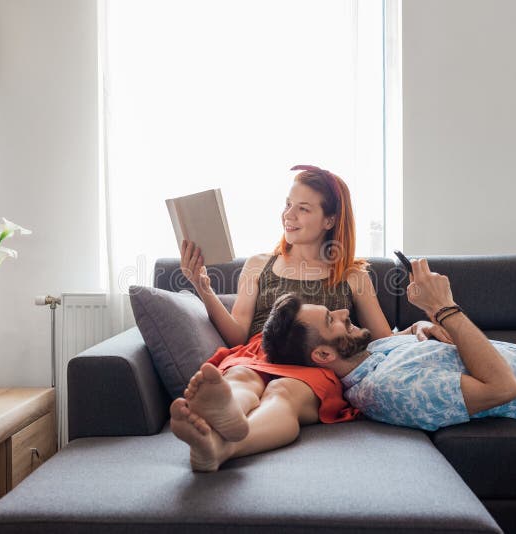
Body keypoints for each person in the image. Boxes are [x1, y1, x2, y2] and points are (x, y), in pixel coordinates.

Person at [171, 164, 408, 472]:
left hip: (314, 364)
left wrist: (422, 325)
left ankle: (223, 447)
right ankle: (224, 419)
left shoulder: (352, 274)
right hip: (259, 352)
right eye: (287, 205)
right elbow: (238, 335)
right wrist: (203, 289)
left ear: (330, 220)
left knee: (283, 392)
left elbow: (381, 340)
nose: (289, 215)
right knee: (241, 377)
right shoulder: (258, 265)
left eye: (303, 208)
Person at [261, 258, 516, 431]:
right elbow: (502, 389)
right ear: (322, 355)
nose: (344, 314)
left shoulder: (374, 354)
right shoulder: (388, 390)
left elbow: (418, 336)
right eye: (332, 320)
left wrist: (425, 325)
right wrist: (444, 308)